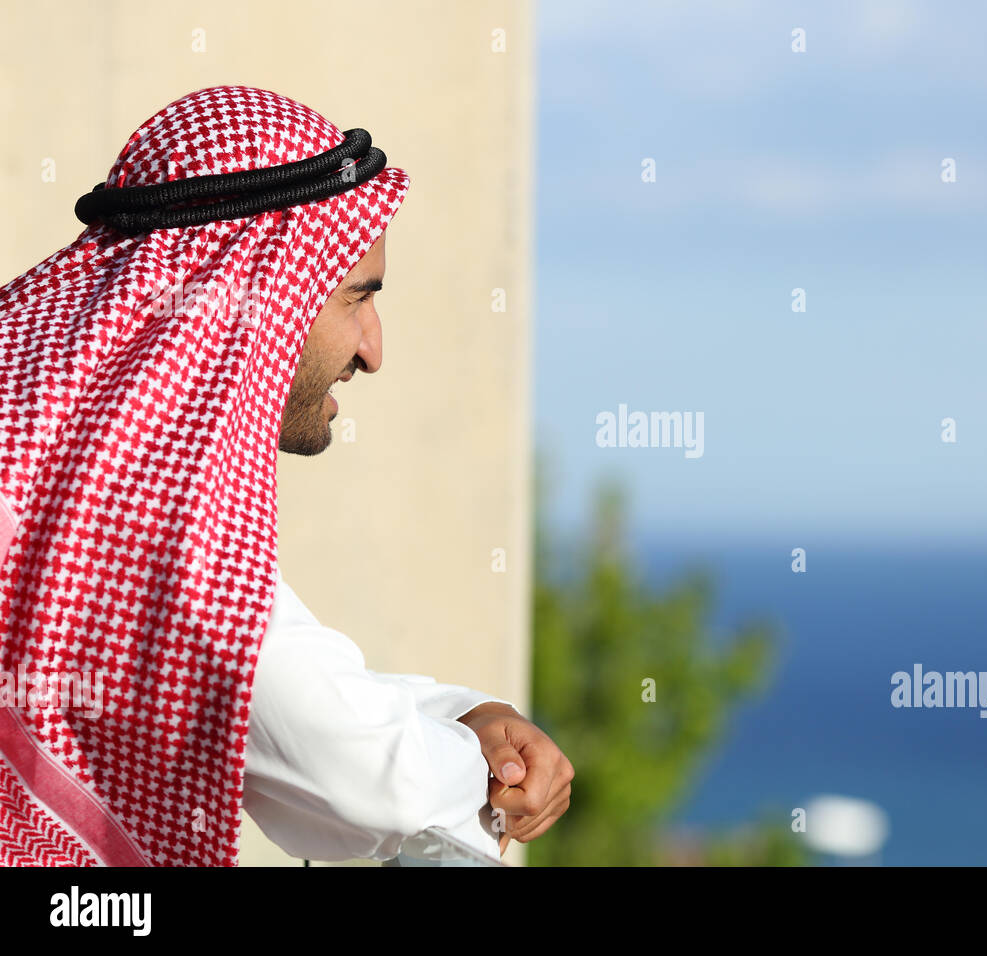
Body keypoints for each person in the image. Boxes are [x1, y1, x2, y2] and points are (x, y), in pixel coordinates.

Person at [0, 85, 571, 866]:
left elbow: (272, 669)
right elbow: (366, 776)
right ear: (256, 300)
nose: (373, 349)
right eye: (356, 298)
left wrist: (466, 712)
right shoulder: (135, 510)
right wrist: (488, 762)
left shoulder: (56, 448)